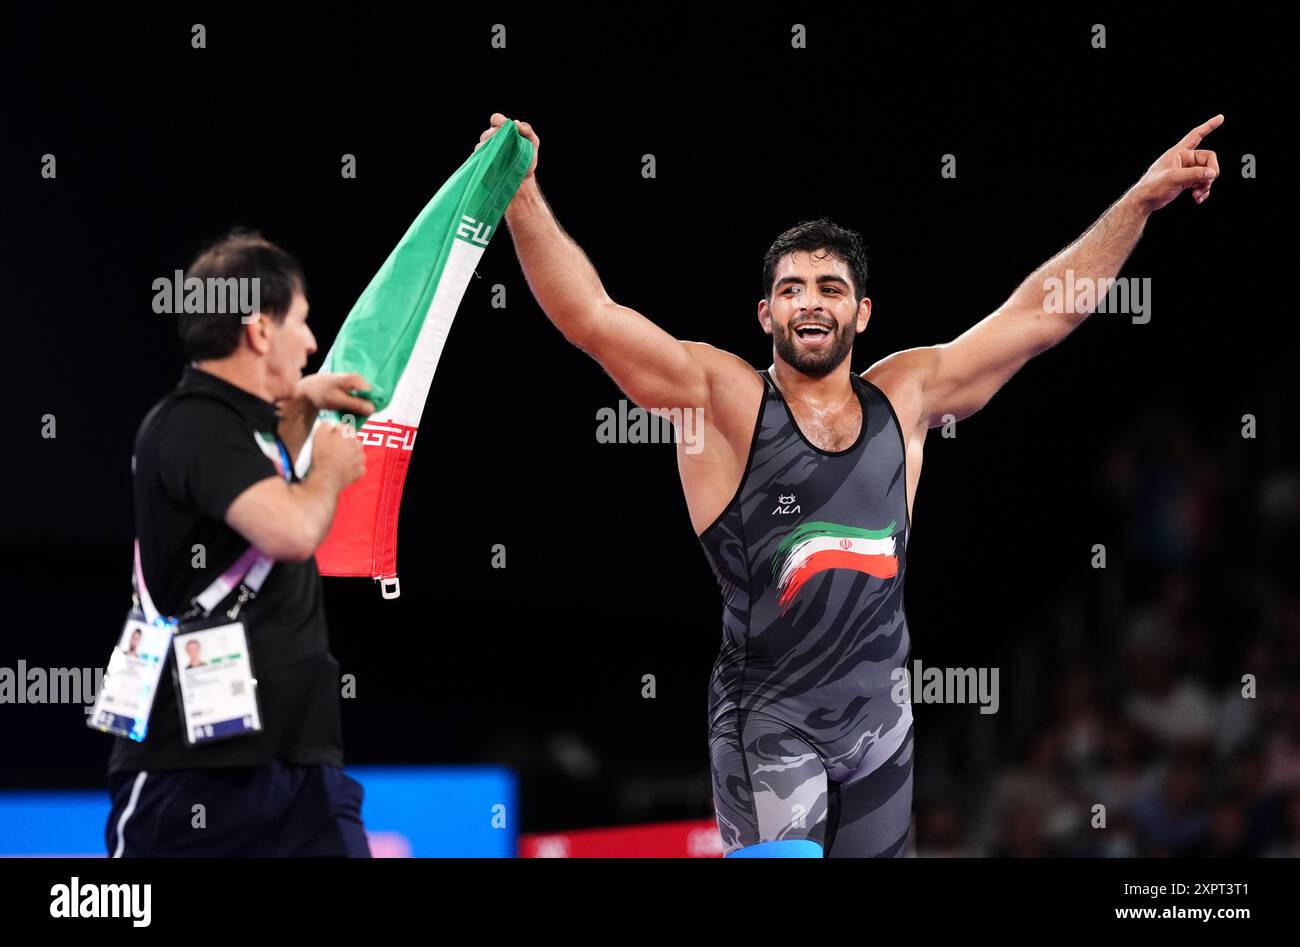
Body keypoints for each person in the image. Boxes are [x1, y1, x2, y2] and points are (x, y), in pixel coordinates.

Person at [483, 111, 1223, 857]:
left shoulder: (907, 395)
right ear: (765, 311)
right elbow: (591, 317)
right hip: (770, 724)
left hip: (880, 730)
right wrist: (521, 195)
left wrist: (1138, 202)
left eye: (830, 288)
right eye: (793, 288)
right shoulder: (721, 397)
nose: (811, 301)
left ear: (861, 312)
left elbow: (1040, 314)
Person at [105, 231, 376, 857]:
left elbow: (264, 449)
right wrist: (329, 470)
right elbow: (291, 529)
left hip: (301, 769)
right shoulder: (192, 424)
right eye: (303, 323)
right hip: (194, 777)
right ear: (258, 330)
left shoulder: (236, 427)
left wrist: (306, 400)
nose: (312, 344)